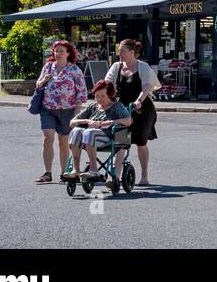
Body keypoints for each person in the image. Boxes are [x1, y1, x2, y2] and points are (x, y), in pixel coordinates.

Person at [104, 39, 159, 186]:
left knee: (141, 142)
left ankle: (144, 176)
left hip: (142, 109)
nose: (119, 54)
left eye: (122, 51)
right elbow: (107, 83)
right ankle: (114, 177)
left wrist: (139, 100)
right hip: (122, 109)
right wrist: (105, 96)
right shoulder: (116, 66)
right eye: (118, 51)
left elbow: (147, 85)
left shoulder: (143, 66)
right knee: (120, 141)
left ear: (132, 52)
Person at [34, 39, 88, 183]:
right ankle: (47, 173)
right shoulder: (48, 67)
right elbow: (38, 85)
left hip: (68, 110)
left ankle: (64, 172)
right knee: (47, 139)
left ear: (68, 53)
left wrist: (77, 112)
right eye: (55, 50)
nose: (57, 53)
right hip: (48, 108)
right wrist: (44, 80)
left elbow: (81, 92)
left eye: (61, 51)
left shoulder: (75, 70)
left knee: (63, 143)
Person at [63, 80, 133, 180]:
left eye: (102, 96)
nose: (99, 99)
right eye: (97, 96)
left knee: (89, 132)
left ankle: (94, 170)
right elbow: (72, 122)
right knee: (76, 131)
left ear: (110, 95)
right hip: (88, 138)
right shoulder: (92, 106)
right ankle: (76, 170)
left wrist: (108, 122)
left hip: (109, 138)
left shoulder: (117, 106)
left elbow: (128, 120)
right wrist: (88, 121)